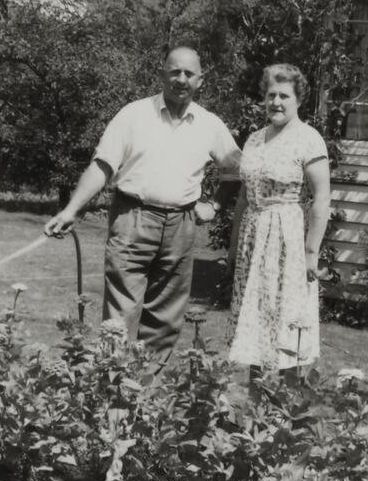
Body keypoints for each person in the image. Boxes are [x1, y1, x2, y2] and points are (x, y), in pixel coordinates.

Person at [44, 47, 240, 350]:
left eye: (189, 73)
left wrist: (214, 205)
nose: (181, 79)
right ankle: (114, 388)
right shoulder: (133, 115)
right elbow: (102, 166)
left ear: (201, 80)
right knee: (120, 317)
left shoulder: (209, 124)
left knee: (166, 318)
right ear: (161, 74)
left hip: (181, 225)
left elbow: (237, 169)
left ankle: (146, 391)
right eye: (174, 71)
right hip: (132, 218)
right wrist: (71, 209)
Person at [227, 63, 331, 382]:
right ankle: (257, 410)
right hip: (253, 238)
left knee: (285, 323)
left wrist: (311, 251)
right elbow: (244, 197)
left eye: (284, 96)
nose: (276, 102)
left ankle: (283, 415)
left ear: (298, 98)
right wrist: (233, 248)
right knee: (257, 324)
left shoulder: (308, 139)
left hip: (287, 239)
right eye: (271, 95)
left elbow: (321, 198)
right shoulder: (256, 139)